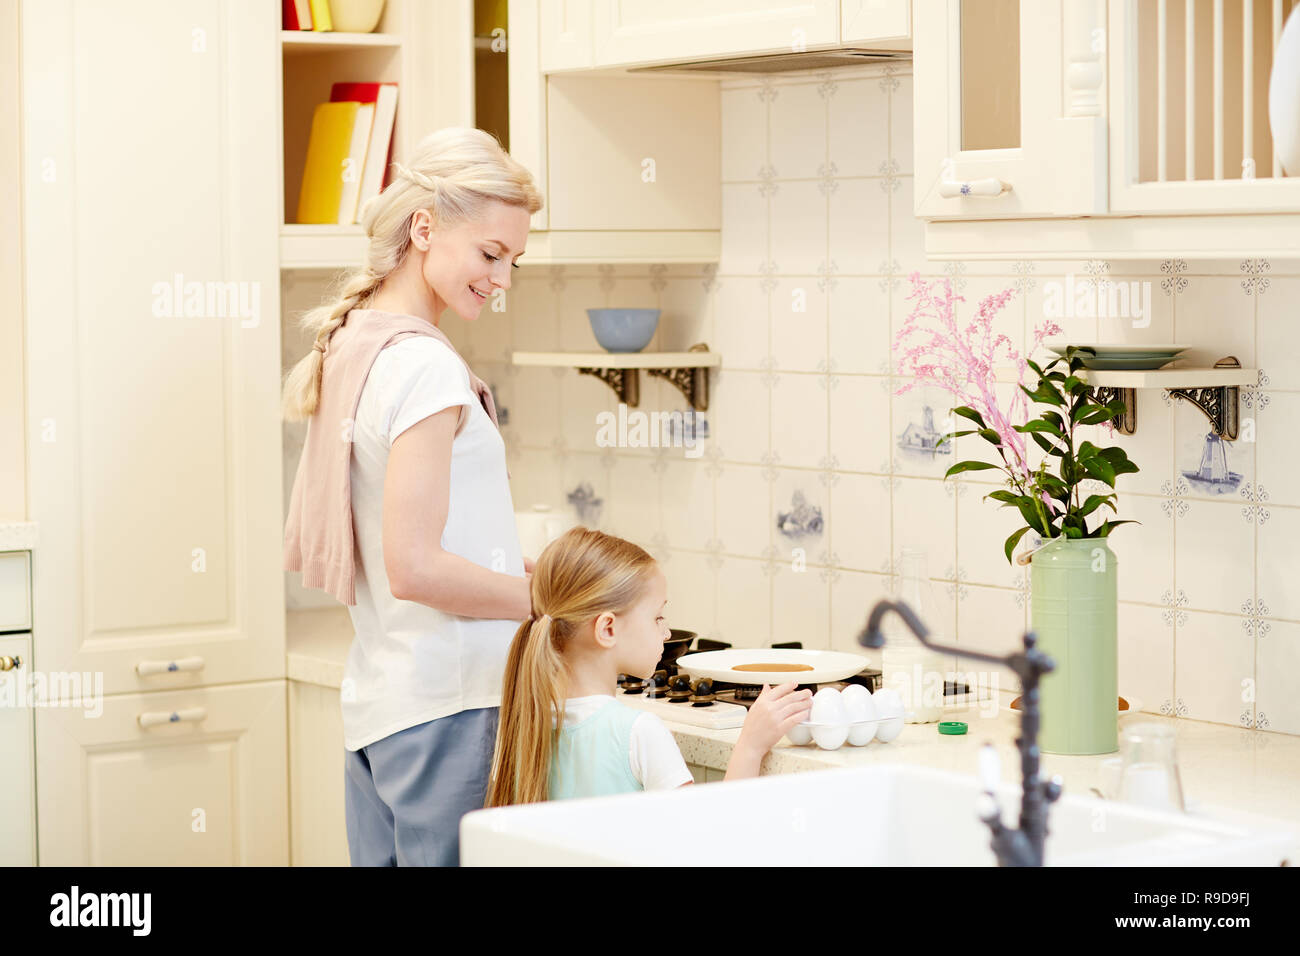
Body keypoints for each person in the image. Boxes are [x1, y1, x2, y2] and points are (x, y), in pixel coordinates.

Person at [281, 127, 542, 865]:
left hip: (387, 707)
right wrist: (549, 599)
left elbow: (411, 546)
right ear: (424, 228)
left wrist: (509, 572)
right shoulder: (425, 366)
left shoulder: (361, 344)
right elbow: (417, 567)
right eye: (492, 253)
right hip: (452, 708)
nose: (503, 279)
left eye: (514, 260)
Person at [485, 526, 813, 807]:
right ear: (607, 629)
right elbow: (706, 845)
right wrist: (751, 745)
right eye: (657, 616)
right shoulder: (638, 732)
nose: (667, 631)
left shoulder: (525, 723)